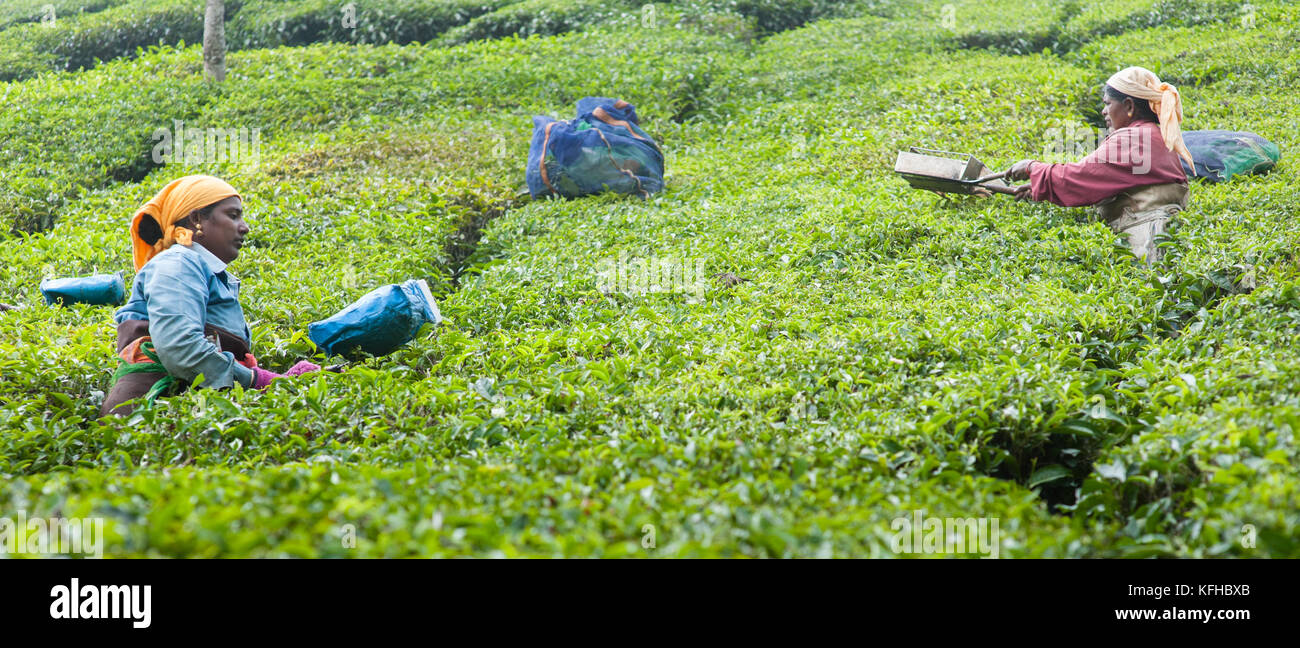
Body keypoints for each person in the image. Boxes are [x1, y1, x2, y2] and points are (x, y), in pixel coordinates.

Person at [101, 175, 320, 417]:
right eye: (233, 215)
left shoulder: (207, 273)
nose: (244, 226)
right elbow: (181, 347)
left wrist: (279, 380)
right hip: (148, 417)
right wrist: (258, 380)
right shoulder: (178, 263)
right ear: (196, 220)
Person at [1005, 66, 1193, 262]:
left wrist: (1032, 168)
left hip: (1147, 238)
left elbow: (1080, 177)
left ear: (1129, 106)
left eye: (1108, 104)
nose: (1104, 112)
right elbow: (1100, 182)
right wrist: (1039, 185)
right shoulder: (1151, 134)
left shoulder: (1134, 138)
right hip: (1159, 233)